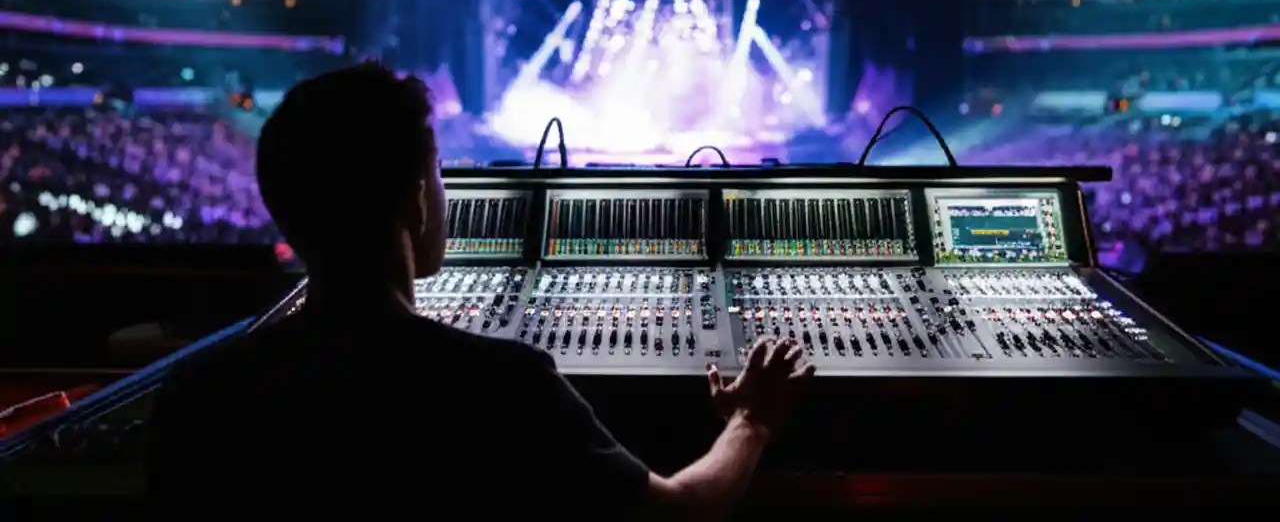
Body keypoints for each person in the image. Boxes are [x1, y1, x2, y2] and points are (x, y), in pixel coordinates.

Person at [146, 63, 813, 518]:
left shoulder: (196, 395)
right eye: (438, 173)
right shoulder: (503, 385)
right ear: (415, 199)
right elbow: (677, 519)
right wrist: (752, 422)